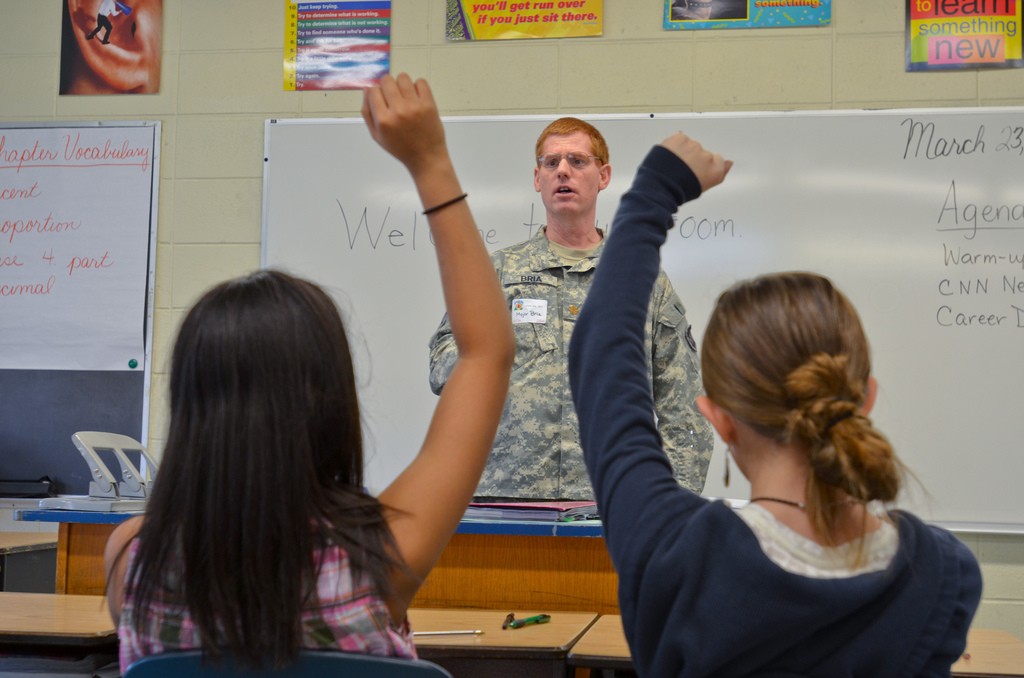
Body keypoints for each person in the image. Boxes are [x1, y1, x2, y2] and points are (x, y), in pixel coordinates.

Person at [103, 73, 513, 672]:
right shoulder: (377, 558)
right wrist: (429, 160)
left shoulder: (132, 558)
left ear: (192, 407)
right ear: (328, 402)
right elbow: (486, 354)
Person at [568, 133, 982, 676]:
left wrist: (657, 190)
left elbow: (603, 355)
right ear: (865, 398)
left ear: (716, 417)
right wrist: (655, 190)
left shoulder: (677, 552)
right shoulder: (943, 574)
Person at [428, 117, 712, 500]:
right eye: (551, 162)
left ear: (604, 175)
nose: (563, 170)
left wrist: (671, 506)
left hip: (611, 503)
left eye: (577, 161)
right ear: (537, 178)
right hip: (504, 500)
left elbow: (685, 409)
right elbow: (441, 371)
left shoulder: (641, 281)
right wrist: (490, 350)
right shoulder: (496, 274)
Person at [60, 0, 162, 94]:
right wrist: (120, 11)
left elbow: (112, 12)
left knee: (100, 27)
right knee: (106, 28)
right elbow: (113, 13)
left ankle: (92, 34)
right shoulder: (109, 3)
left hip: (100, 17)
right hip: (102, 17)